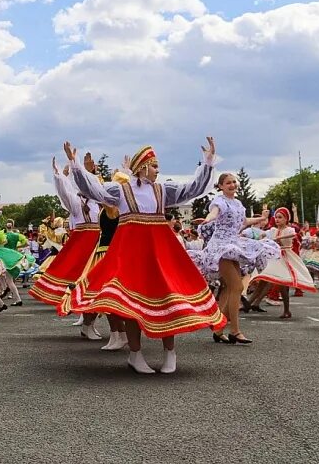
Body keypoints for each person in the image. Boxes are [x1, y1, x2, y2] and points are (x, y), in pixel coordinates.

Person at [65, 139, 224, 374]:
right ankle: (135, 354)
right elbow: (92, 190)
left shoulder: (162, 191)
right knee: (132, 303)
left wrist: (209, 162)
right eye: (155, 165)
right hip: (131, 252)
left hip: (160, 251)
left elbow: (193, 189)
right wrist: (75, 165)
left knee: (167, 296)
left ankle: (170, 352)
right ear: (142, 167)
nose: (158, 170)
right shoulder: (122, 190)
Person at [189, 173, 278, 344]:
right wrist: (207, 220)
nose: (232, 185)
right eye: (228, 183)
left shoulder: (238, 204)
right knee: (236, 286)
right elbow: (214, 214)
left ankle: (219, 328)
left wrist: (262, 218)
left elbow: (243, 221)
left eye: (234, 182)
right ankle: (235, 331)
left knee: (231, 289)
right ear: (221, 186)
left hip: (234, 245)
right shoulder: (219, 201)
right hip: (221, 247)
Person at [30, 156, 103, 339]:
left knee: (98, 285)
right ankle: (87, 324)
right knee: (84, 284)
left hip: (98, 244)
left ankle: (91, 324)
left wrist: (90, 172)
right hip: (82, 247)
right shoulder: (77, 204)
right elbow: (66, 193)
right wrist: (60, 177)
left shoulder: (98, 203)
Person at [244, 207, 317, 318]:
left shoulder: (289, 230)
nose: (277, 219)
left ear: (286, 219)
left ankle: (286, 310)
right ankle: (249, 303)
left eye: (280, 217)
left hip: (285, 257)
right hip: (275, 257)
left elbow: (293, 235)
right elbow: (262, 234)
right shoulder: (273, 230)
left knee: (282, 286)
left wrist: (278, 237)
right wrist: (258, 238)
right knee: (263, 278)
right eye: (276, 217)